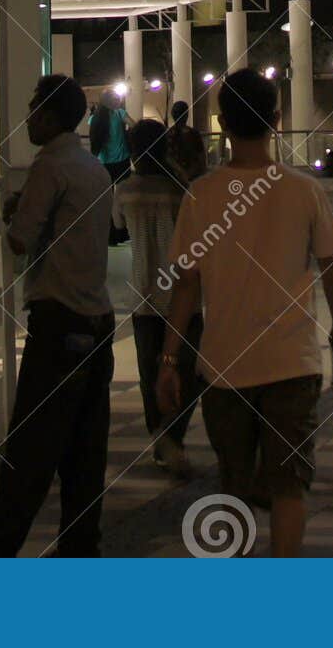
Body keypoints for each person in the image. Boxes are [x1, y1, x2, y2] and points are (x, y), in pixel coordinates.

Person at [157, 68, 333, 558]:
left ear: (222, 122)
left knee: (235, 485)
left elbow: (185, 285)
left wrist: (167, 360)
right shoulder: (302, 189)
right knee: (289, 486)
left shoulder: (201, 195)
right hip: (292, 362)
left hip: (224, 366)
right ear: (277, 120)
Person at [0, 74, 114, 558]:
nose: (27, 119)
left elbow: (20, 239)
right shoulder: (94, 168)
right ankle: (80, 547)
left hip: (58, 322)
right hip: (97, 321)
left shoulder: (49, 167)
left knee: (31, 448)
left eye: (34, 110)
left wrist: (11, 212)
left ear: (51, 117)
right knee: (84, 451)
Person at [114, 118, 201, 478]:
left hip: (143, 292)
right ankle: (175, 435)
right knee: (188, 368)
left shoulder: (124, 190)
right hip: (181, 293)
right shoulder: (179, 190)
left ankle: (160, 436)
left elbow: (118, 226)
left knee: (150, 370)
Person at [89, 87, 131, 182]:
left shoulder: (94, 118)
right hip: (122, 159)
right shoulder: (120, 113)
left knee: (106, 192)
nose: (119, 101)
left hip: (103, 161)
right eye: (116, 99)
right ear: (110, 102)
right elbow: (135, 126)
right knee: (122, 192)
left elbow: (94, 137)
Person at [165, 98, 207, 181]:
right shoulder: (194, 134)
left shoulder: (168, 134)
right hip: (193, 177)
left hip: (174, 179)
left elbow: (167, 157)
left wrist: (180, 171)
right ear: (186, 115)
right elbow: (201, 158)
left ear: (173, 115)